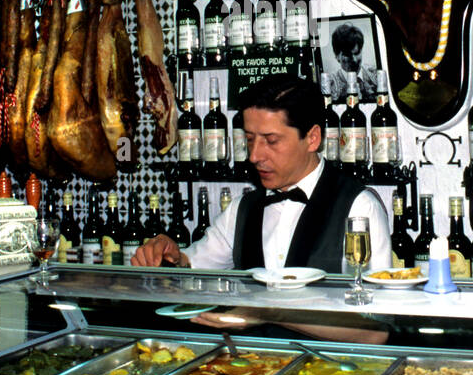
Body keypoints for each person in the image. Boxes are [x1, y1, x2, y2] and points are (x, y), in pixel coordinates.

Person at [132, 75, 391, 341]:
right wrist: (171, 258)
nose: (255, 155)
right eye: (250, 139)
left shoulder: (358, 209)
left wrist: (269, 313)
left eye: (271, 140)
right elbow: (191, 272)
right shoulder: (242, 209)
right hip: (255, 369)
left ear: (312, 138)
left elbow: (374, 332)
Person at [323, 23, 377, 102]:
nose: (354, 60)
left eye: (357, 53)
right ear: (337, 56)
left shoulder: (376, 74)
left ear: (361, 50)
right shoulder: (328, 85)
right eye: (348, 55)